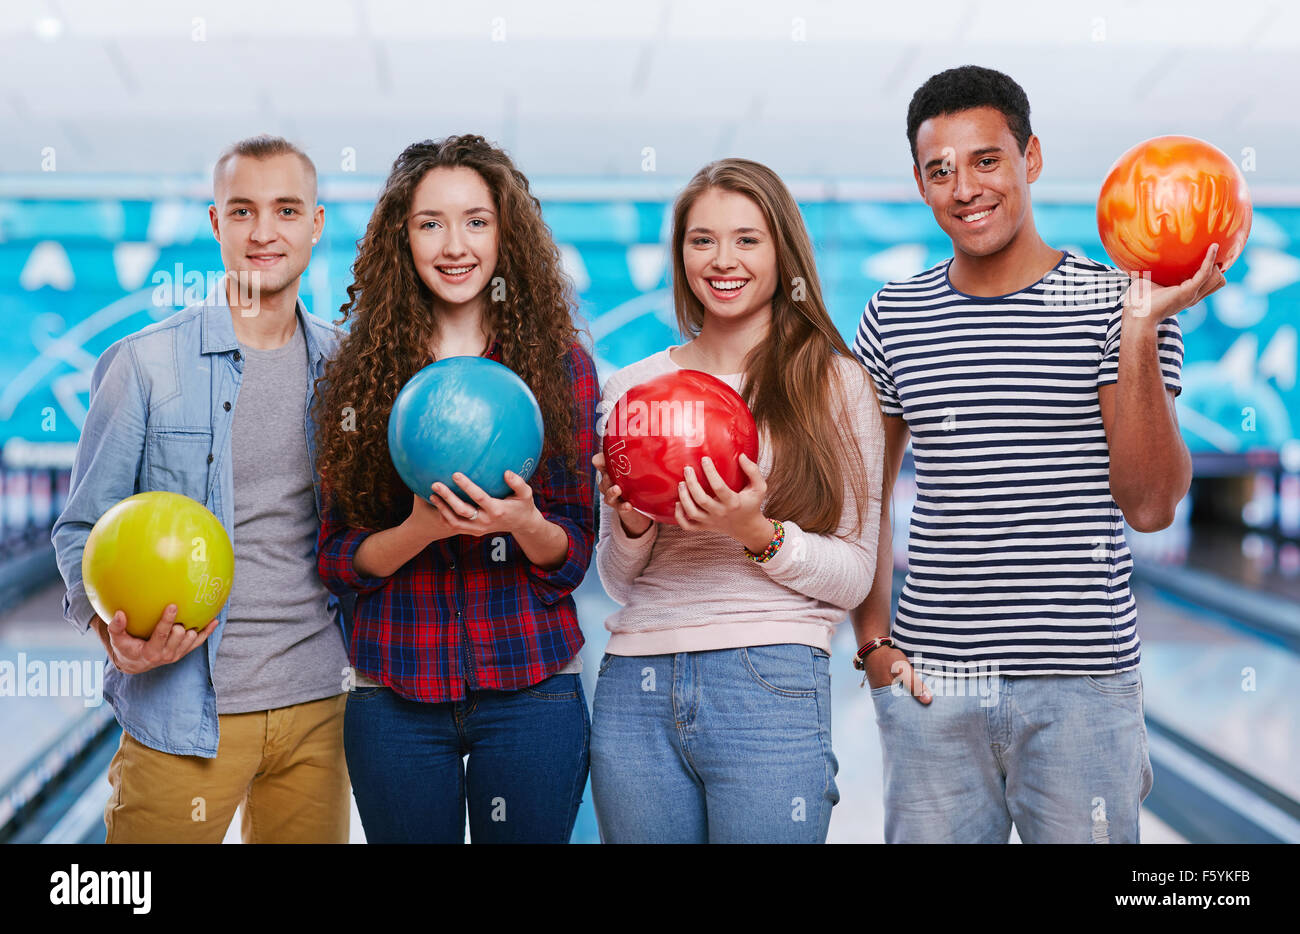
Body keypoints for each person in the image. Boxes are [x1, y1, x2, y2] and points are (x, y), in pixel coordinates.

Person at [852, 65, 1223, 844]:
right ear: (920, 184)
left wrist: (1138, 330)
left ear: (1032, 158)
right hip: (931, 689)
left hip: (1085, 690)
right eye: (940, 170)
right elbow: (867, 498)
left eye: (987, 160)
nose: (965, 187)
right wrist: (874, 645)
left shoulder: (1119, 304)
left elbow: (1151, 505)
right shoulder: (894, 315)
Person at [50, 135, 352, 843]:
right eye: (242, 211)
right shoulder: (145, 366)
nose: (264, 232)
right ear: (217, 224)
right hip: (181, 709)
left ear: (315, 224)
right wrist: (107, 633)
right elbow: (78, 531)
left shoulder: (346, 369)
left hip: (318, 708)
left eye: (286, 209)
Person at [313, 135, 599, 844]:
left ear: (506, 234)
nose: (454, 244)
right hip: (394, 695)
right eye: (429, 223)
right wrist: (422, 530)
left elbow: (573, 554)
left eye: (476, 220)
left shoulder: (560, 368)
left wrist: (524, 522)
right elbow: (338, 559)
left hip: (532, 687)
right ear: (401, 240)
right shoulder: (360, 374)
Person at [590, 157, 885, 844]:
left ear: (783, 250)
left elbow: (854, 573)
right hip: (636, 683)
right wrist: (633, 521)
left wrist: (758, 531)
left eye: (747, 239)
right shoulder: (633, 391)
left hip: (771, 677)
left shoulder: (836, 384)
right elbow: (615, 578)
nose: (723, 260)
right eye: (703, 240)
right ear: (681, 253)